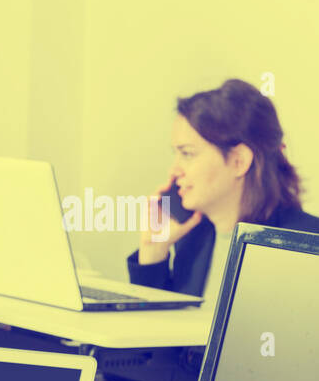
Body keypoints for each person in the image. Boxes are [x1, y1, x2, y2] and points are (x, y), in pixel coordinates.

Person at [129, 78, 319, 298]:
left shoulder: (306, 243)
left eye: (187, 154)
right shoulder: (193, 237)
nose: (174, 170)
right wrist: (154, 249)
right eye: (176, 154)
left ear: (239, 161)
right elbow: (154, 329)